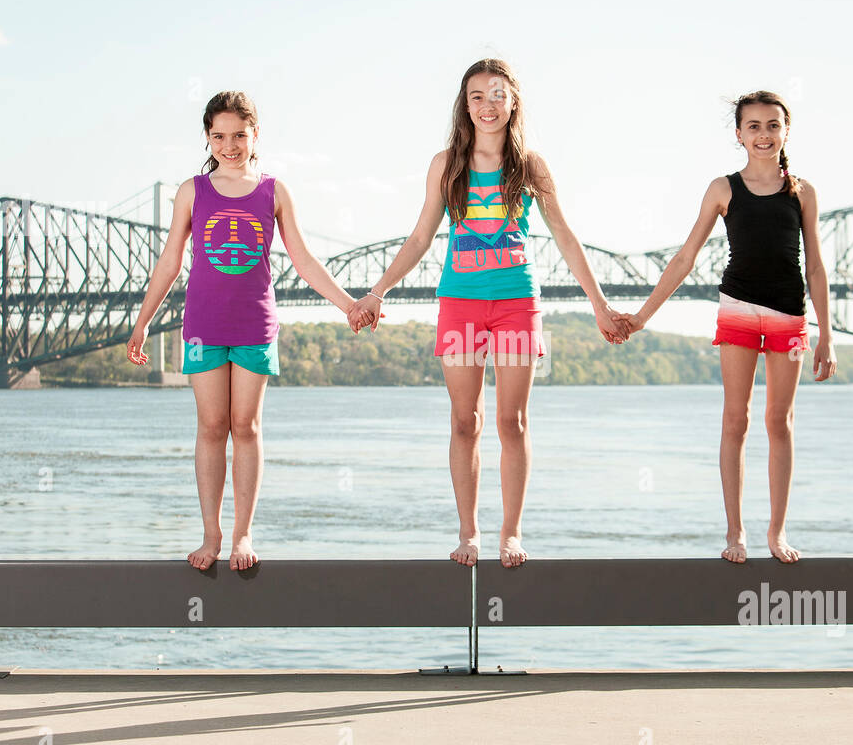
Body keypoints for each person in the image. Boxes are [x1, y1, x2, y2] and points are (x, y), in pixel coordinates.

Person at [347, 58, 629, 567]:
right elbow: (419, 237)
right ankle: (469, 533)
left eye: (497, 94)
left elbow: (564, 235)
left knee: (513, 422)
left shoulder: (531, 165)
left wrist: (599, 304)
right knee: (463, 421)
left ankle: (512, 534)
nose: (487, 105)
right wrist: (377, 292)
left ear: (513, 101)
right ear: (465, 105)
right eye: (476, 96)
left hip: (518, 304)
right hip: (459, 305)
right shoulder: (446, 164)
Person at [127, 90, 363, 571]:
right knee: (212, 427)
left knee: (247, 427)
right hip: (203, 324)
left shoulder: (274, 191)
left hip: (256, 323)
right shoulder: (192, 191)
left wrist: (348, 305)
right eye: (219, 136)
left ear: (256, 134)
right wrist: (143, 321)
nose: (229, 145)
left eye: (239, 135)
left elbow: (303, 259)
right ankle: (211, 535)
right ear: (208, 138)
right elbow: (170, 261)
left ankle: (243, 535)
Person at [613, 90, 836, 563]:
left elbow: (815, 266)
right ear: (738, 134)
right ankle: (736, 533)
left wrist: (827, 337)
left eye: (772, 125)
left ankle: (777, 532)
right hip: (737, 309)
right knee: (736, 419)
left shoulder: (803, 192)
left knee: (781, 422)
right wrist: (642, 317)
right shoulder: (722, 188)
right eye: (753, 126)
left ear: (786, 131)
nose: (763, 134)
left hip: (789, 315)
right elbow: (685, 257)